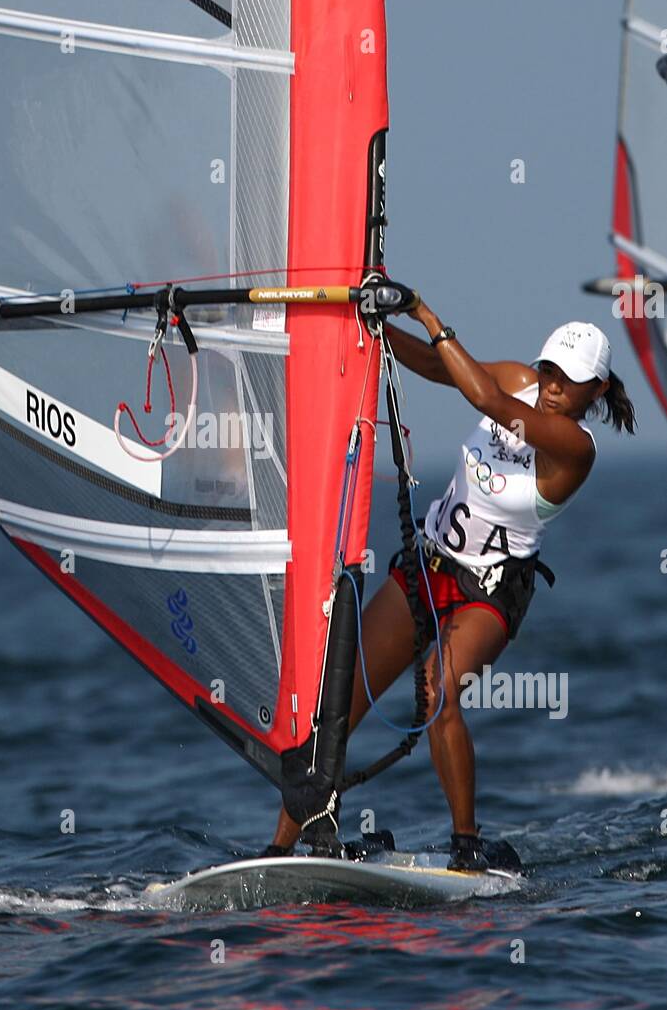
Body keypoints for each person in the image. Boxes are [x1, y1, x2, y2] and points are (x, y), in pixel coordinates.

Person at [268, 300, 636, 871]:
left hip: (490, 591)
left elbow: (485, 399)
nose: (555, 387)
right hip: (428, 568)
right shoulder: (521, 381)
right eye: (550, 371)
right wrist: (382, 330)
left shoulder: (575, 450)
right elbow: (446, 369)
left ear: (598, 389)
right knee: (338, 701)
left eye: (572, 381)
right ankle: (283, 847)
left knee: (438, 693)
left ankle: (465, 845)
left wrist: (422, 312)